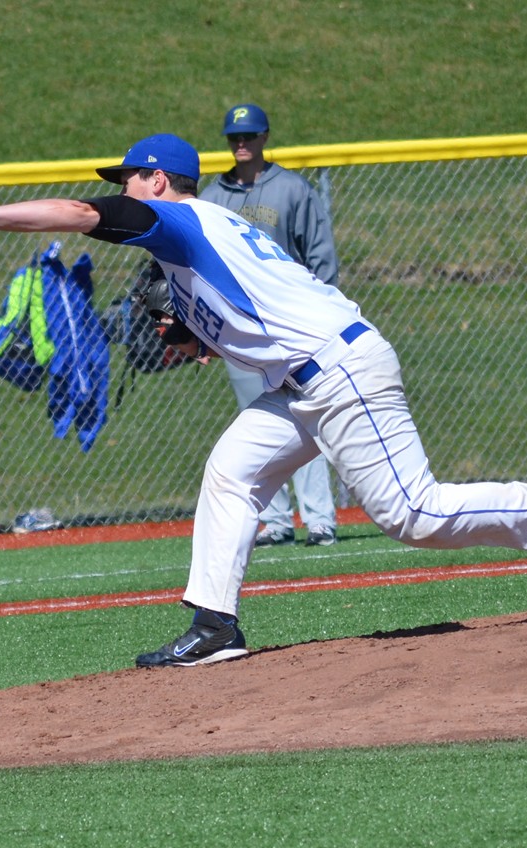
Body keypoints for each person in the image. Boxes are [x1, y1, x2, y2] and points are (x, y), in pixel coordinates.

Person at [0, 133, 527, 667]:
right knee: (232, 470)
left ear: (158, 178)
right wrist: (186, 329)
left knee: (413, 514)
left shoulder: (181, 218)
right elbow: (222, 329)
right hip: (299, 386)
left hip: (340, 373)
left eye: (132, 177)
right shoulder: (198, 248)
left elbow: (80, 212)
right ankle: (214, 625)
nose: (125, 186)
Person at [200, 103, 339, 548]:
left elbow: (319, 255)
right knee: (258, 423)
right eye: (234, 138)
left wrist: (322, 313)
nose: (241, 144)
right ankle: (277, 520)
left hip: (293, 328)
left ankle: (319, 519)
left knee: (308, 418)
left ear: (264, 137)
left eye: (249, 136)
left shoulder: (292, 189)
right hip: (241, 332)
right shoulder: (212, 196)